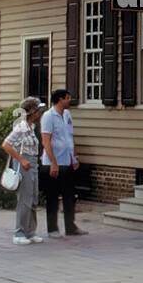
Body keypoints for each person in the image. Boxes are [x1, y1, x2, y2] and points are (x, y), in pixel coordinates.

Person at [40, 88, 85, 238]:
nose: (69, 101)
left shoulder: (67, 115)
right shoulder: (48, 116)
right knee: (52, 196)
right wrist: (53, 163)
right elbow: (46, 141)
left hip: (67, 161)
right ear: (60, 100)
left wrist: (75, 157)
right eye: (67, 98)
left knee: (69, 196)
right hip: (53, 163)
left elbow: (70, 137)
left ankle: (70, 226)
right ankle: (52, 229)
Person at [2, 97, 44, 245]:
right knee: (24, 200)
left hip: (33, 164)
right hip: (24, 164)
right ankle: (19, 233)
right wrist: (21, 160)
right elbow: (6, 145)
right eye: (37, 109)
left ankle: (30, 231)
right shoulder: (21, 127)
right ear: (32, 111)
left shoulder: (32, 127)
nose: (39, 112)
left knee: (33, 198)